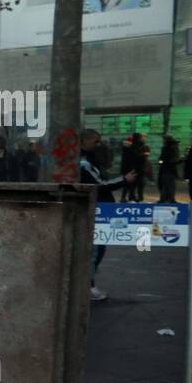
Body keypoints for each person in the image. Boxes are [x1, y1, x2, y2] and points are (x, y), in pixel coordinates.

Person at [80, 128, 137, 301]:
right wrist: (123, 180)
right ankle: (87, 286)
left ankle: (87, 284)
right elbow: (100, 184)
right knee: (95, 250)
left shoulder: (91, 158)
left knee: (98, 248)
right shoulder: (83, 162)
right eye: (95, 141)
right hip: (96, 209)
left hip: (100, 208)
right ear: (85, 140)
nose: (98, 144)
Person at [120, 132, 145, 201]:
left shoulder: (129, 147)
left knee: (130, 184)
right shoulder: (133, 147)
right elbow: (135, 157)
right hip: (132, 168)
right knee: (130, 183)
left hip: (129, 168)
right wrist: (142, 156)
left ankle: (128, 197)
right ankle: (129, 197)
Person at [156, 136, 179, 203]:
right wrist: (161, 162)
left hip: (167, 170)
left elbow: (162, 159)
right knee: (168, 185)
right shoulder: (171, 149)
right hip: (168, 169)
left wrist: (162, 163)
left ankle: (167, 198)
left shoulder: (168, 149)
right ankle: (168, 198)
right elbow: (162, 159)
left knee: (167, 185)